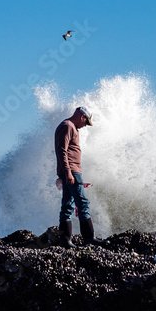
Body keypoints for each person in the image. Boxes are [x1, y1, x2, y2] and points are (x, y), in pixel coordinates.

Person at [54, 106, 96, 248]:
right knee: (82, 203)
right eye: (86, 122)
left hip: (72, 171)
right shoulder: (68, 126)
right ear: (82, 117)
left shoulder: (70, 127)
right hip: (71, 171)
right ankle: (89, 239)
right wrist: (69, 173)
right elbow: (62, 151)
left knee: (67, 205)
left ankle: (65, 240)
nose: (85, 126)